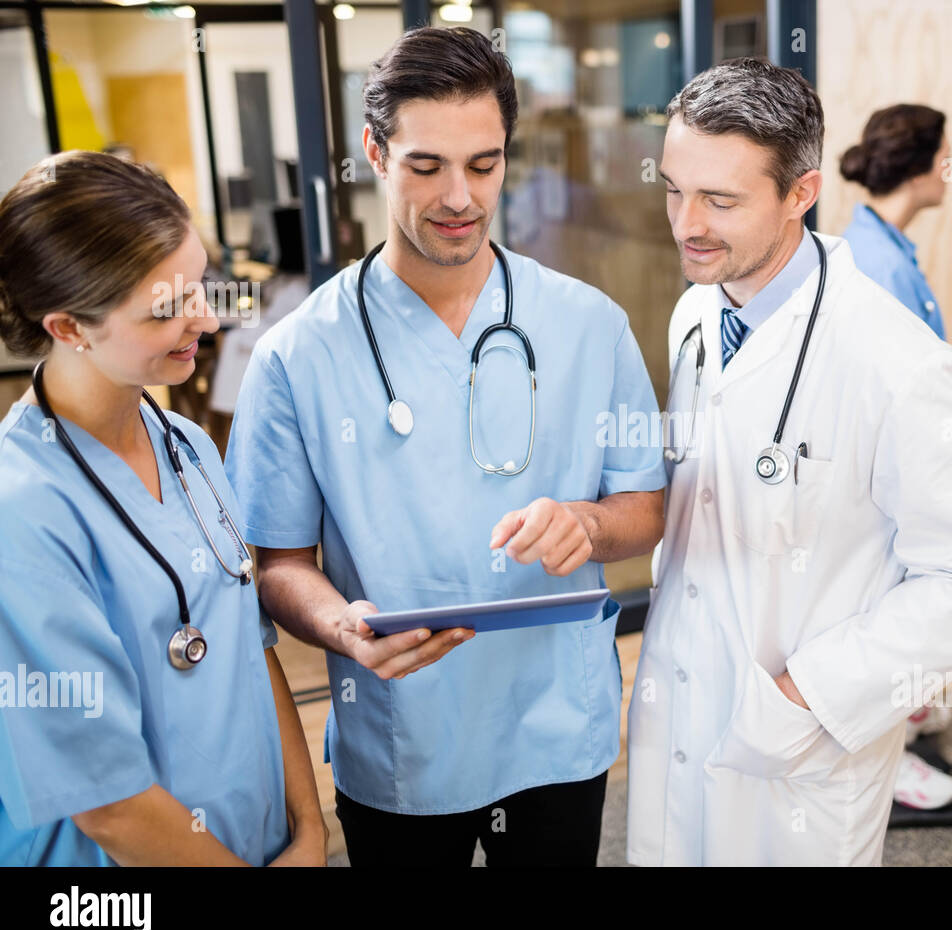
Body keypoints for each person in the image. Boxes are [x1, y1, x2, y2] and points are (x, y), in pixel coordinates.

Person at [224, 27, 665, 867]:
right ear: (375, 155)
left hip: (554, 728)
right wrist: (342, 629)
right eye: (427, 167)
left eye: (485, 164)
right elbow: (278, 560)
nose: (460, 196)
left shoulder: (588, 325)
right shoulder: (297, 353)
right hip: (404, 741)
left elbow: (644, 507)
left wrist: (591, 527)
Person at [626, 58, 952, 866]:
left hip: (801, 754)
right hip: (682, 705)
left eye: (722, 200)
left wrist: (807, 693)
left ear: (801, 194)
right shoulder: (696, 313)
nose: (686, 223)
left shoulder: (896, 361)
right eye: (675, 188)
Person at [0, 150, 325, 866]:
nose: (205, 321)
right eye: (165, 309)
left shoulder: (186, 445)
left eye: (200, 286)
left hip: (258, 843)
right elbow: (108, 803)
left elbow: (251, 647)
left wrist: (308, 828)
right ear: (67, 328)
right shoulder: (20, 513)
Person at [840, 104, 949, 340]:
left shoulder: (870, 244)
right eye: (945, 160)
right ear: (918, 170)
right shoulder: (885, 268)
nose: (949, 173)